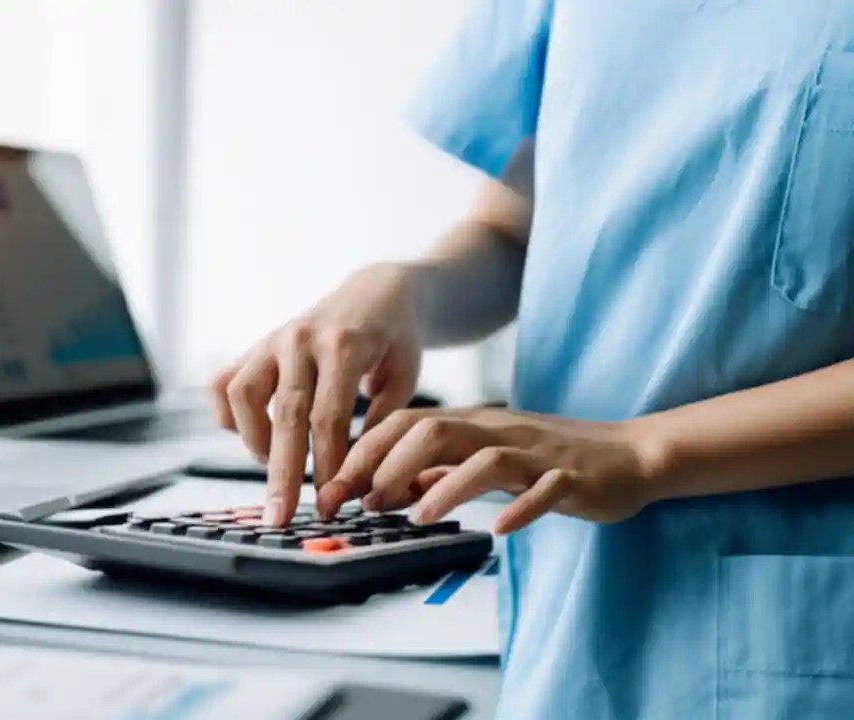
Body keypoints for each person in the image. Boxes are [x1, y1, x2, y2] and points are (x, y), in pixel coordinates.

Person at [209, 2, 854, 717]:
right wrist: (403, 292)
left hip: (802, 631)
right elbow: (512, 231)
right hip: (565, 596)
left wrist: (645, 452)